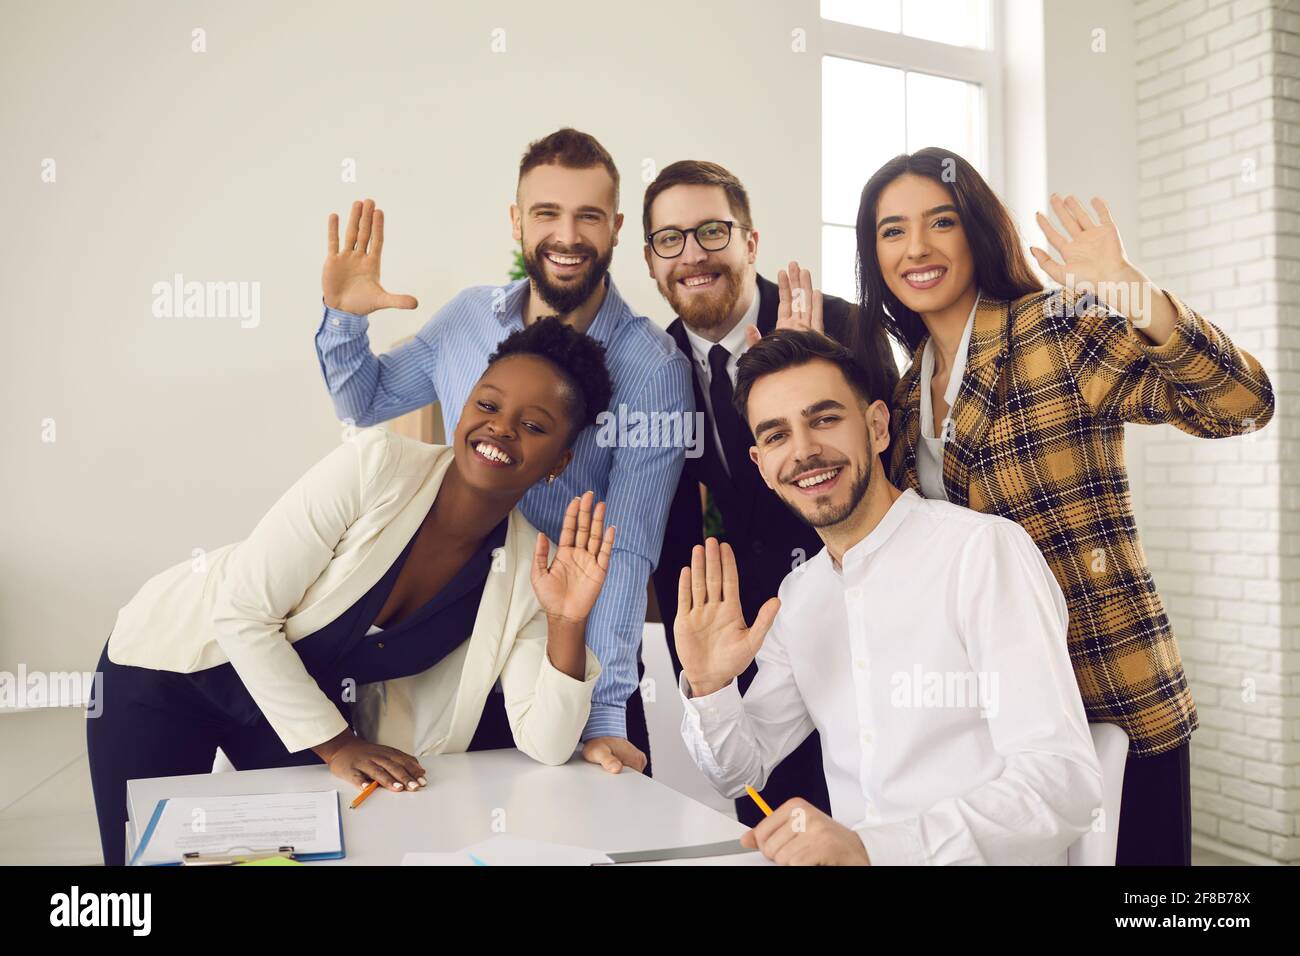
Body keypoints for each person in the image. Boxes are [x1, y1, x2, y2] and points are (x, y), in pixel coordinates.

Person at [855, 147, 1275, 864]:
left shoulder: (1054, 329)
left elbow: (1240, 405)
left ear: (977, 231)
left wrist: (1127, 287)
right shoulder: (899, 397)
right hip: (994, 724)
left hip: (1109, 687)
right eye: (892, 231)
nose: (916, 248)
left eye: (940, 222)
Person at [87, 319, 615, 866]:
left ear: (558, 463)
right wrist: (339, 746)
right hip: (170, 671)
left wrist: (567, 622)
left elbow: (548, 744)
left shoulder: (530, 568)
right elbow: (242, 612)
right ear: (462, 409)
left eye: (532, 424)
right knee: (145, 864)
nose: (500, 428)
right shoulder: (376, 465)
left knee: (315, 858)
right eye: (487, 405)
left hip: (291, 712)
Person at [314, 128, 692, 777]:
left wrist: (601, 718)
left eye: (588, 216)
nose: (567, 236)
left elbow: (624, 551)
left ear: (616, 227)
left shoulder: (651, 366)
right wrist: (345, 318)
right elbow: (365, 402)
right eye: (547, 213)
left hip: (564, 657)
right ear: (518, 221)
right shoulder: (467, 319)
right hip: (453, 653)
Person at [674, 329, 1102, 865]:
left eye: (824, 419)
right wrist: (712, 686)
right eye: (778, 435)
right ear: (762, 466)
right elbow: (741, 770)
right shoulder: (800, 597)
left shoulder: (980, 553)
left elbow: (1064, 784)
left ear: (877, 427)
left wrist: (873, 850)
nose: (805, 451)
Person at [642, 159, 898, 827]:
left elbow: (890, 467)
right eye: (670, 239)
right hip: (729, 641)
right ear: (650, 260)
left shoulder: (844, 326)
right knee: (769, 827)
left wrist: (806, 377)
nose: (692, 254)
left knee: (878, 813)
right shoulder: (649, 367)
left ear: (750, 242)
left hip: (850, 626)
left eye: (711, 231)